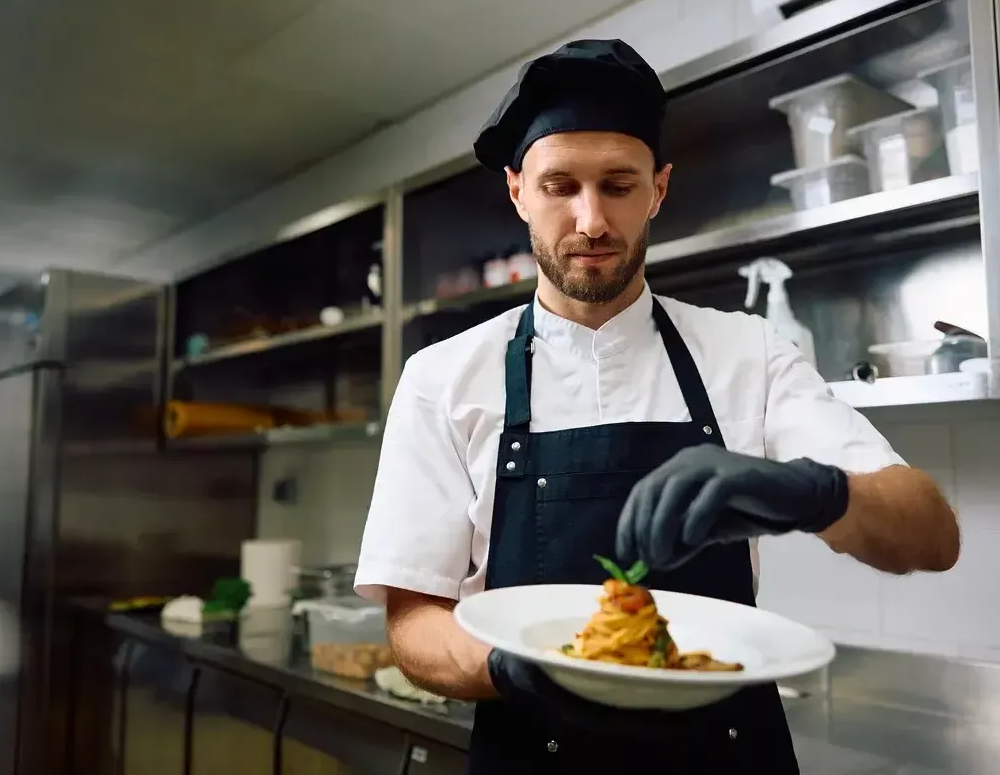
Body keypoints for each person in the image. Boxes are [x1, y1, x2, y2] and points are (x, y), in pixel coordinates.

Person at [354, 38, 960, 773]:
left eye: (617, 184)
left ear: (659, 189)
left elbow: (931, 535)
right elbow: (414, 622)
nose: (591, 222)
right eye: (558, 186)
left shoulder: (750, 353)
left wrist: (812, 492)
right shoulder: (442, 376)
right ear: (517, 190)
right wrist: (511, 667)